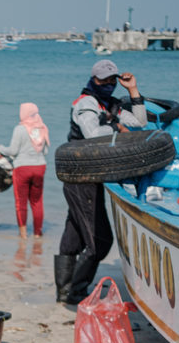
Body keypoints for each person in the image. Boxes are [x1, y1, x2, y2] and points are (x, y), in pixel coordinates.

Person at [55, 59, 147, 304]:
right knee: (100, 241)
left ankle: (66, 293)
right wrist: (116, 126)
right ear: (93, 80)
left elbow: (140, 122)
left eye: (111, 80)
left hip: (92, 175)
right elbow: (92, 135)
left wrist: (133, 91)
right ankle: (76, 290)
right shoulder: (86, 103)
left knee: (74, 234)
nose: (107, 84)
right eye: (102, 80)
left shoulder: (111, 104)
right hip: (81, 175)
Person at [0, 102, 49, 237]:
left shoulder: (20, 129)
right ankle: (37, 233)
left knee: (21, 202)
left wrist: (0, 148)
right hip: (40, 167)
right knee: (37, 202)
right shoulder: (42, 127)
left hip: (22, 168)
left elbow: (13, 150)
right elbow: (46, 151)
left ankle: (23, 234)